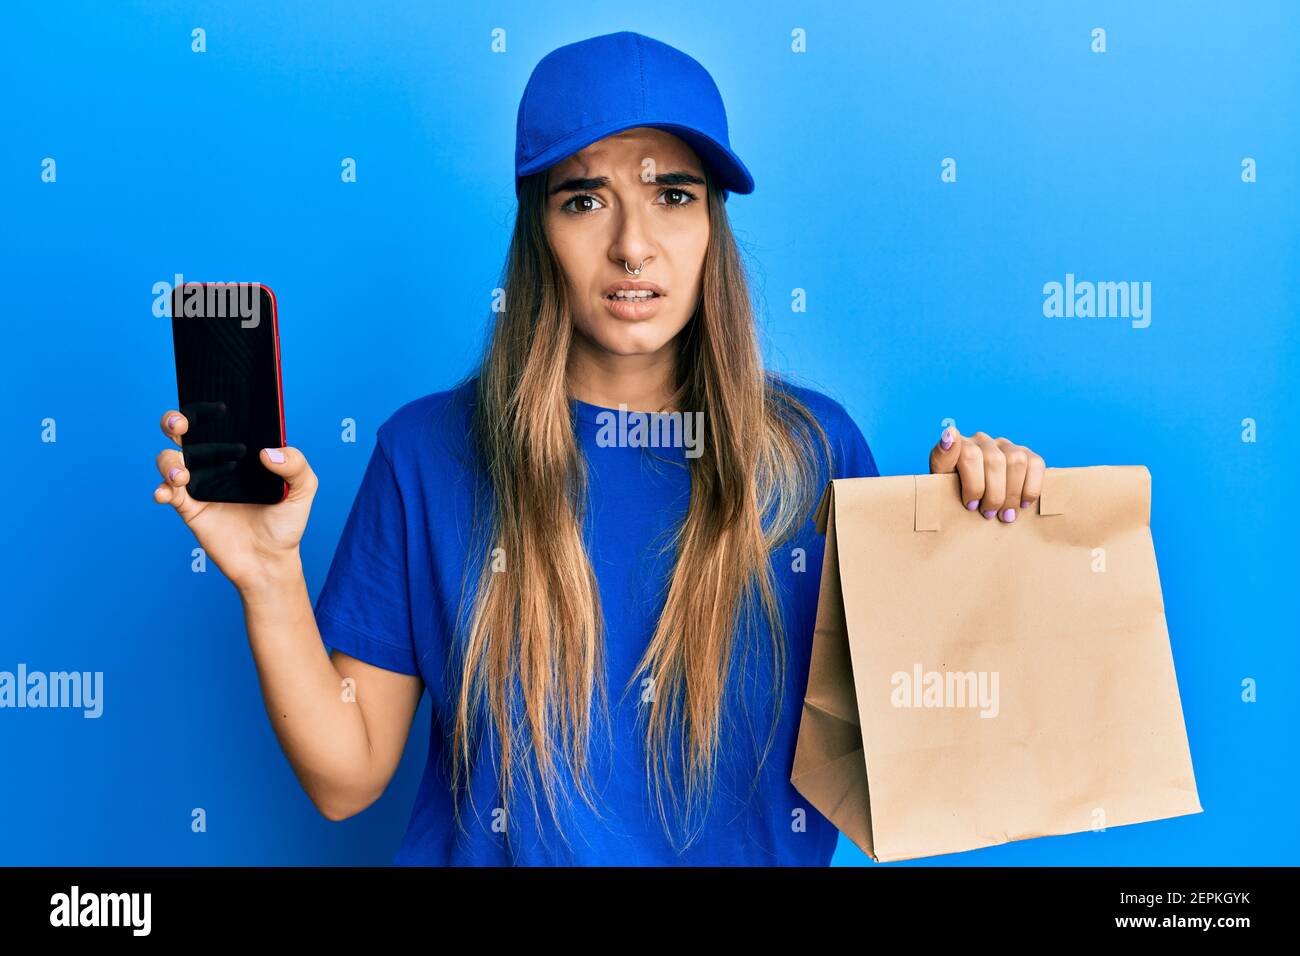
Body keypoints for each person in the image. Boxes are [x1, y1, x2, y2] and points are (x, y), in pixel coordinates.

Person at [151, 31, 1045, 865]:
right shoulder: (425, 453)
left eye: (673, 195)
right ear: (539, 230)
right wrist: (268, 579)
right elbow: (346, 781)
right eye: (585, 199)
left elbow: (913, 765)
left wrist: (958, 546)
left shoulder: (814, 453)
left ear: (711, 229)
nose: (633, 246)